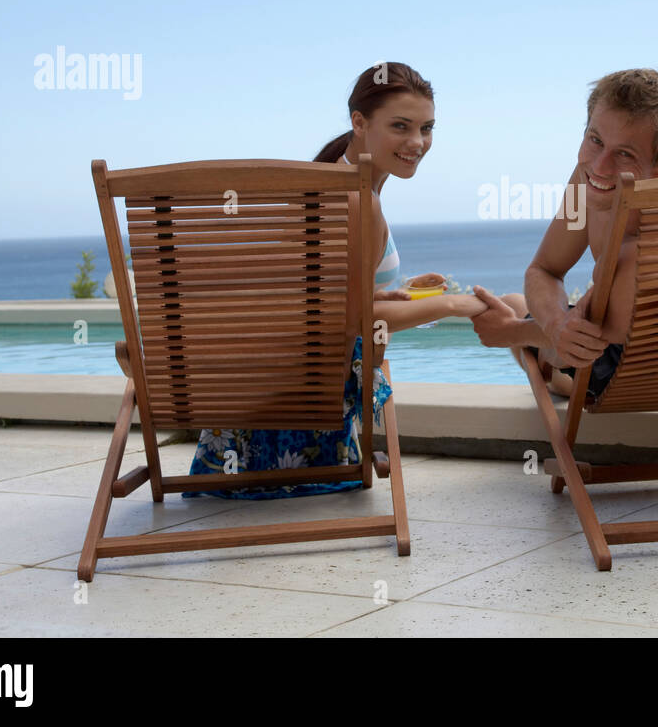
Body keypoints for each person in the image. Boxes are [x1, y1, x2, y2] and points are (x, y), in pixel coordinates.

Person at [186, 62, 487, 499]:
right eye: (400, 126)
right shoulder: (358, 200)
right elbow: (346, 323)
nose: (417, 142)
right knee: (508, 306)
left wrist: (383, 292)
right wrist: (453, 305)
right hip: (310, 403)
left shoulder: (330, 185)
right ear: (359, 123)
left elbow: (312, 302)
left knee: (510, 306)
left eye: (427, 127)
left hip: (249, 405)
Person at [467, 68, 658, 473]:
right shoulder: (592, 182)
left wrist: (514, 332)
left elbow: (604, 337)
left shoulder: (657, 233)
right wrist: (559, 320)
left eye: (625, 154)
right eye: (595, 139)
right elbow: (545, 269)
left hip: (650, 363)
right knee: (522, 305)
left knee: (516, 319)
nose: (598, 165)